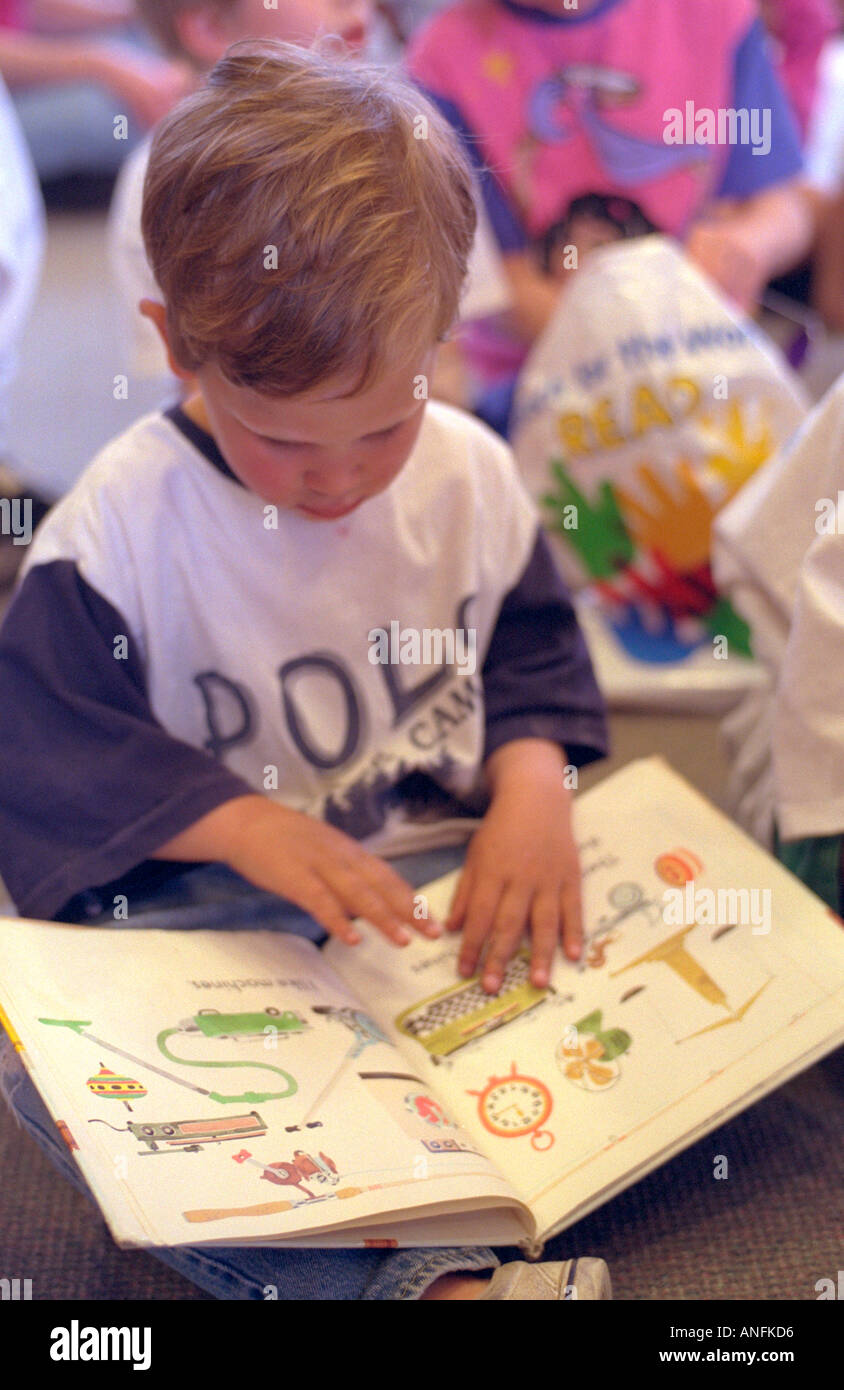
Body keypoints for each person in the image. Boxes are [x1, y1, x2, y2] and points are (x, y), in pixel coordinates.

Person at [0, 41, 611, 1300]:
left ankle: (523, 1184)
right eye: (280, 439)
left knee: (603, 944)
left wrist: (538, 782)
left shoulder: (468, 472)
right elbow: (44, 745)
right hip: (222, 937)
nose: (336, 478)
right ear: (174, 346)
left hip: (435, 892)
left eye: (383, 423)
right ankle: (432, 1287)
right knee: (46, 1076)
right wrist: (238, 825)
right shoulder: (118, 533)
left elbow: (529, 641)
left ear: (443, 335)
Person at [405, 0, 815, 431]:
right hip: (537, 386)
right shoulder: (443, 61)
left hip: (704, 361)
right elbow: (505, 289)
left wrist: (750, 242)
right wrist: (644, 349)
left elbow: (785, 206)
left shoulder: (716, 15)